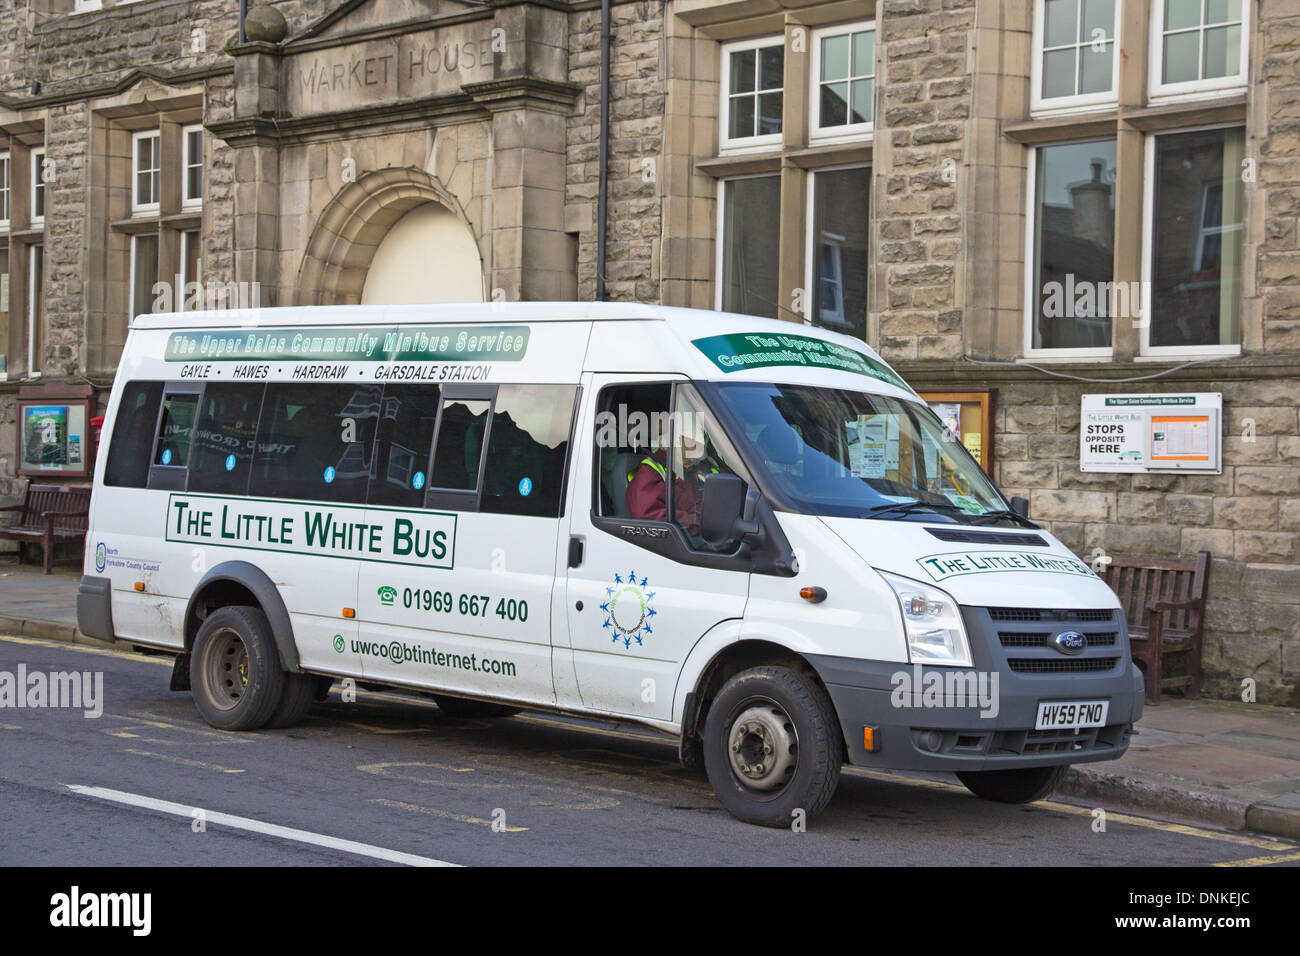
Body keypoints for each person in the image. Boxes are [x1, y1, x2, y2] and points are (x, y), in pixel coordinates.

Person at [626, 416, 721, 536]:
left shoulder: (706, 463)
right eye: (692, 436)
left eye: (702, 435)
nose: (701, 440)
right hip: (690, 546)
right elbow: (650, 520)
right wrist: (702, 523)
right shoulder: (650, 473)